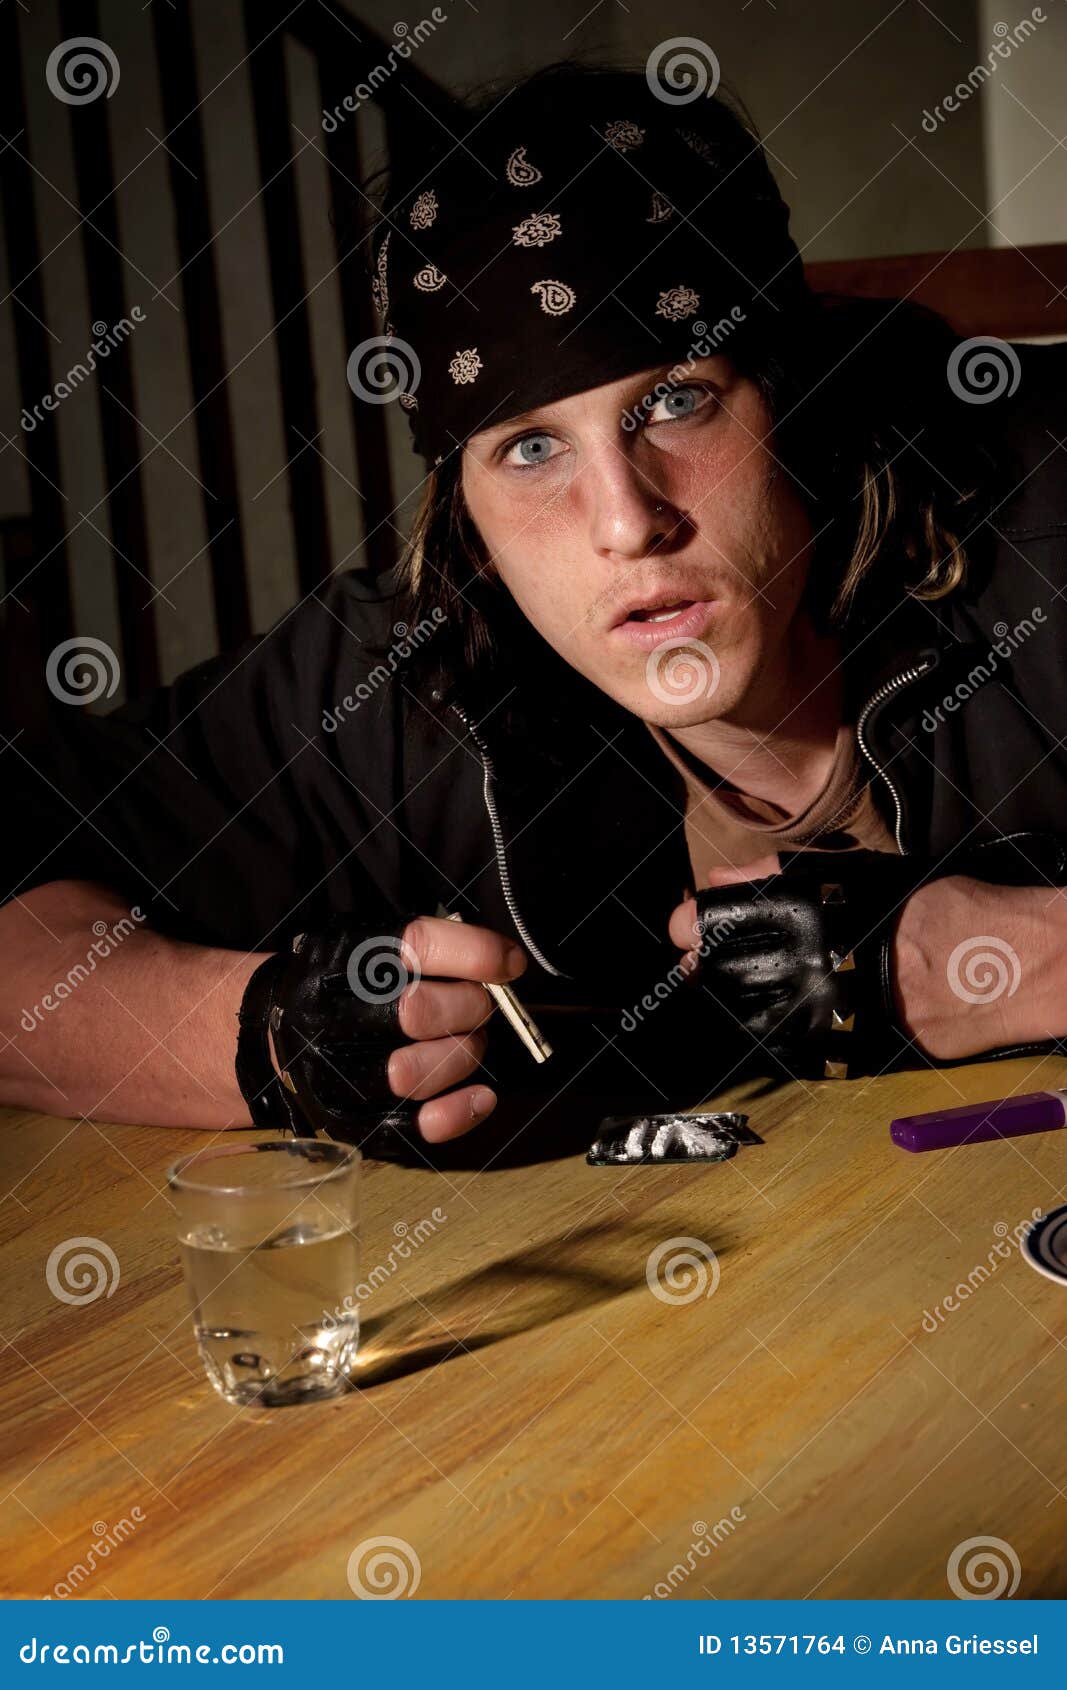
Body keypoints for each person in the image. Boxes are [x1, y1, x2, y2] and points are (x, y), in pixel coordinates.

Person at [2, 61, 1066, 1159]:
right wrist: (268, 1039)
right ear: (464, 513)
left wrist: (1009, 957)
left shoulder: (1037, 520)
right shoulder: (406, 675)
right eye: (529, 448)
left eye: (675, 403)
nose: (623, 521)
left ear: (789, 406)